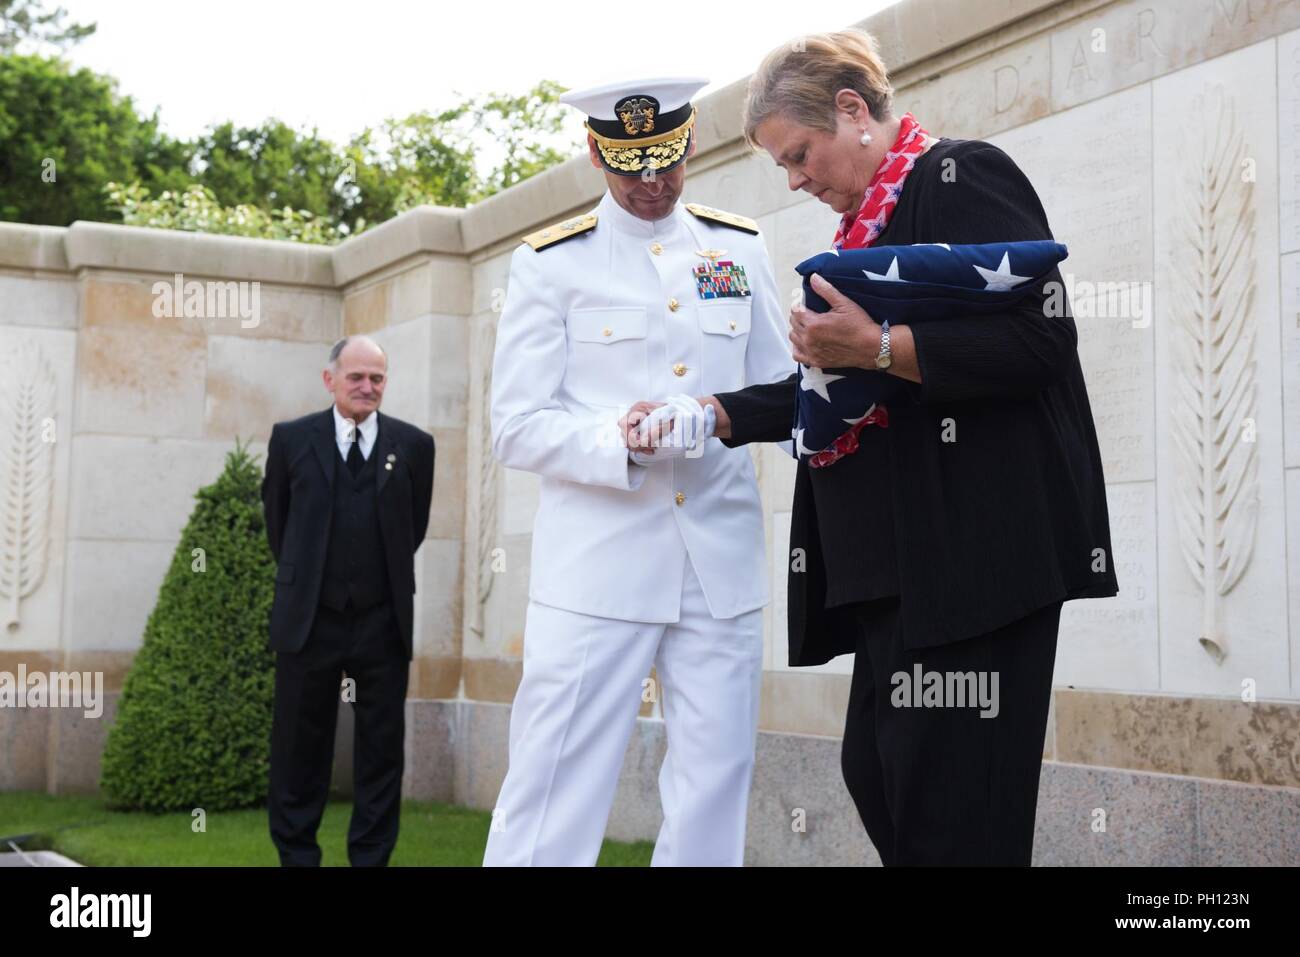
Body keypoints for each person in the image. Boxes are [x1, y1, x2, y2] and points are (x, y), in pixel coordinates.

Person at [626, 30, 1118, 866]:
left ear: (853, 111)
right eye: (783, 165)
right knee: (880, 775)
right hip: (897, 576)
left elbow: (1043, 342)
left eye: (800, 153)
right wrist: (712, 411)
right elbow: (832, 383)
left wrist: (881, 346)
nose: (795, 178)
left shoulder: (961, 176)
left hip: (976, 568)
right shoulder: (862, 233)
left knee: (955, 818)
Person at [483, 77, 793, 866]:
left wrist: (713, 413)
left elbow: (783, 390)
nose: (653, 183)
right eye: (632, 167)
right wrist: (614, 439)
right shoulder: (551, 264)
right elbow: (515, 425)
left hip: (716, 562)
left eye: (667, 161)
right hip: (598, 566)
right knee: (554, 785)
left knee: (714, 784)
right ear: (595, 153)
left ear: (689, 143)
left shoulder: (738, 246)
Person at [261, 334, 436, 866]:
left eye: (377, 378)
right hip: (309, 623)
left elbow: (414, 528)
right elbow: (279, 525)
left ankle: (370, 860)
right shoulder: (291, 440)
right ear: (330, 379)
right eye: (356, 377)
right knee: (299, 748)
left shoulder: (414, 446)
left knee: (381, 753)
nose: (367, 387)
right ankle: (297, 857)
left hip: (382, 624)